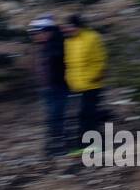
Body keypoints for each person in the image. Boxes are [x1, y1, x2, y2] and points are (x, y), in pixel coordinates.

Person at [62, 13, 107, 154]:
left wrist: (93, 76)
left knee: (88, 115)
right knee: (82, 116)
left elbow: (100, 60)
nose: (68, 29)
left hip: (92, 84)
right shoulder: (68, 41)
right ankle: (85, 145)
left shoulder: (92, 37)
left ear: (78, 26)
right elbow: (69, 63)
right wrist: (69, 79)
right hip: (76, 85)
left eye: (71, 26)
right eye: (67, 27)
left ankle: (93, 145)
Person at [29, 15, 69, 157]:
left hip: (58, 86)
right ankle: (53, 145)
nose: (34, 37)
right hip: (47, 87)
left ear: (46, 31)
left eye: (35, 33)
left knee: (57, 116)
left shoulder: (57, 45)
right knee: (52, 117)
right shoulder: (43, 46)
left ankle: (60, 145)